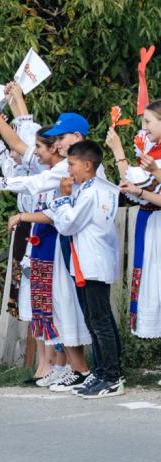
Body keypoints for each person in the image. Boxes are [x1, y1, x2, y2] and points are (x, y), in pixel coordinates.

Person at [10, 140, 124, 398]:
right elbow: (65, 220)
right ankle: (102, 370)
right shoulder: (84, 189)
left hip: (94, 263)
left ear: (87, 165)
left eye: (71, 164)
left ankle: (112, 375)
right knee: (93, 320)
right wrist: (65, 204)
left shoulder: (95, 191)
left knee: (100, 320)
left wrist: (62, 199)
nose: (68, 170)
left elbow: (68, 224)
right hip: (84, 262)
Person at [108, 99, 161, 340]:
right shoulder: (153, 153)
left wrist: (119, 151)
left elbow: (141, 186)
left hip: (157, 223)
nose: (145, 127)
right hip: (151, 223)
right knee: (154, 288)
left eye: (148, 121)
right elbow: (133, 183)